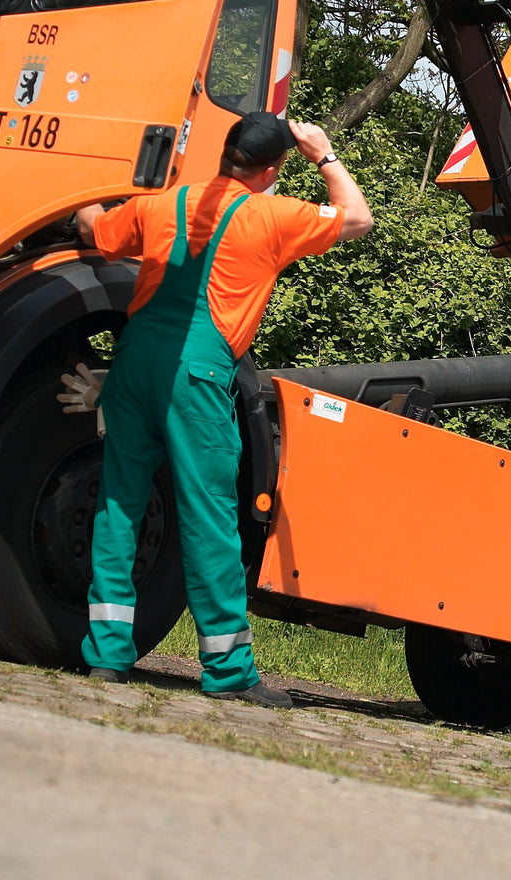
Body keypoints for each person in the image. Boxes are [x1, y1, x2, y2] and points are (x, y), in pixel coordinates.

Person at [67, 112, 372, 707]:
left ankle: (106, 654)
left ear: (224, 153)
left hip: (134, 362)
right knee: (207, 516)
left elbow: (93, 228)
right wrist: (324, 153)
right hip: (198, 373)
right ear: (271, 170)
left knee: (119, 503)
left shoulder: (164, 205)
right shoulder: (273, 217)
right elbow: (357, 217)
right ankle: (228, 670)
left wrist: (89, 181)